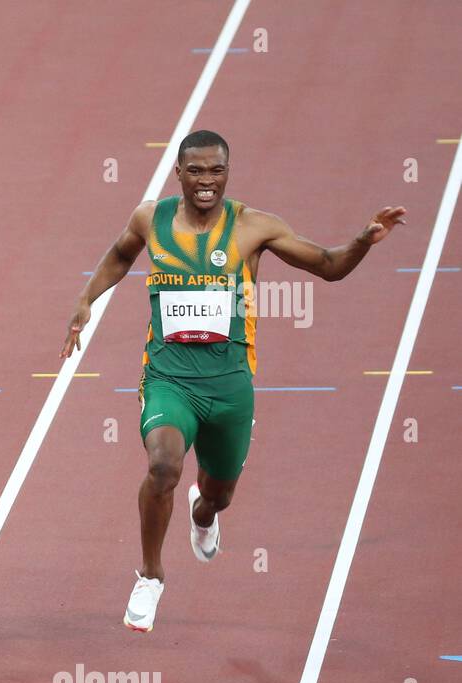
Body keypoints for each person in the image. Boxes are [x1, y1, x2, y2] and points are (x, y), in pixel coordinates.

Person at [61, 130, 405, 632]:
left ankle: (203, 516)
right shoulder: (149, 219)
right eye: (195, 170)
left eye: (216, 170)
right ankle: (151, 576)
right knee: (162, 466)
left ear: (228, 173)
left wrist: (363, 240)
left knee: (218, 493)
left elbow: (329, 267)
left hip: (230, 387)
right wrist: (86, 298)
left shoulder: (252, 227)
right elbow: (119, 254)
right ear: (178, 172)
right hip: (167, 378)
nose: (206, 181)